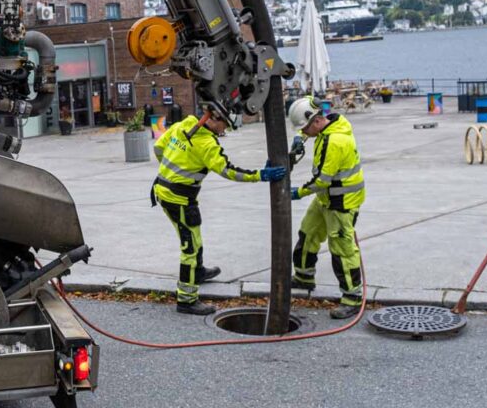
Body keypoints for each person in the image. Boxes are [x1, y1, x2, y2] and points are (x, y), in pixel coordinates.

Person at [152, 109, 287, 315]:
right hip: (179, 199)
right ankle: (186, 299)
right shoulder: (207, 144)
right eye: (225, 125)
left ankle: (197, 272)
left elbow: (159, 147)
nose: (225, 131)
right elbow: (228, 170)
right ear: (215, 119)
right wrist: (260, 175)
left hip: (163, 189)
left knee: (194, 237)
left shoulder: (184, 124)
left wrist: (171, 170)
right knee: (191, 248)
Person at [287, 96, 366, 319]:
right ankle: (303, 277)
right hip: (326, 198)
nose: (305, 132)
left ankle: (352, 297)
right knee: (308, 232)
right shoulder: (326, 125)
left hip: (341, 201)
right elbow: (309, 127)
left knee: (342, 249)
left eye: (305, 129)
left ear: (316, 122)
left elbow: (322, 179)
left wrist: (297, 192)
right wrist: (299, 137)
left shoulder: (335, 141)